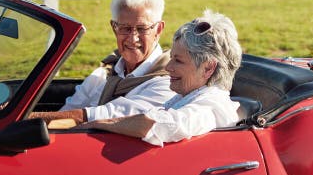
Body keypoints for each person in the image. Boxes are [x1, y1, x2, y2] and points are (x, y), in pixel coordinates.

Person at [73, 10, 242, 146]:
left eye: (178, 61)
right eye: (171, 58)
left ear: (208, 68)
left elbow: (160, 125)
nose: (168, 67)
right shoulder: (187, 96)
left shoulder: (211, 106)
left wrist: (96, 124)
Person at [32, 0, 175, 125]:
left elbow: (110, 115)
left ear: (158, 29)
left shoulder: (170, 80)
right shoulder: (103, 74)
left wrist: (31, 118)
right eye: (125, 28)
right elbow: (67, 112)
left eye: (142, 29)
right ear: (114, 28)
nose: (133, 38)